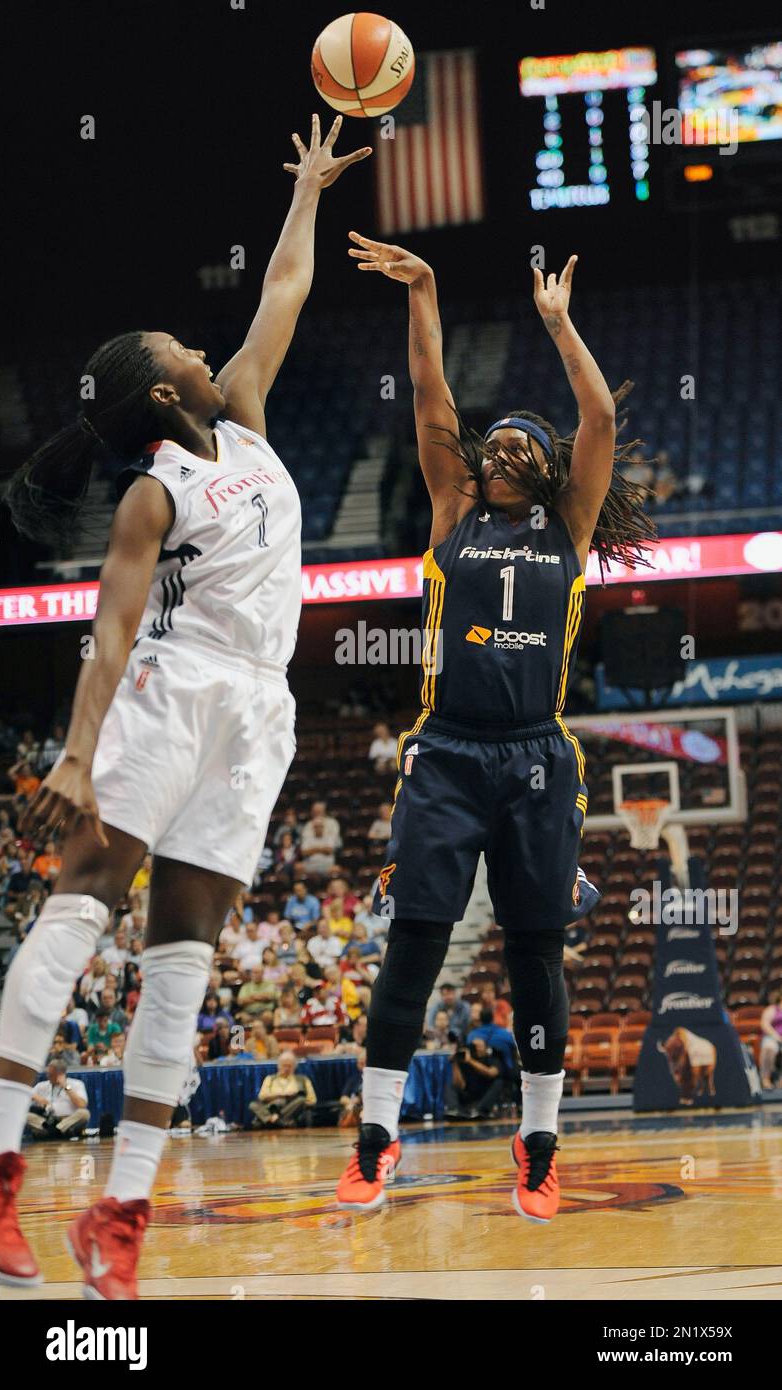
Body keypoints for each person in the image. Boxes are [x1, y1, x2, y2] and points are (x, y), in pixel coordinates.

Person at [0, 113, 370, 1299]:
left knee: (184, 962)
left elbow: (283, 289)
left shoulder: (244, 416)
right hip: (172, 691)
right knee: (81, 910)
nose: (210, 348)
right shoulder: (152, 497)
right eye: (185, 348)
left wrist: (307, 190)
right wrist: (75, 756)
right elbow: (109, 633)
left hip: (260, 713)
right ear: (168, 387)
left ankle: (120, 1214)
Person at [335, 234, 654, 1220]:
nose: (510, 447)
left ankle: (540, 1141)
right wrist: (423, 291)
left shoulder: (569, 526)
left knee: (534, 953)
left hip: (536, 756)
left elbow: (599, 416)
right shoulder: (451, 509)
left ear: (552, 472)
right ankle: (376, 1137)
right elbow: (429, 387)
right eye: (499, 441)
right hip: (446, 751)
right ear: (477, 464)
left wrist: (558, 324)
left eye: (529, 445)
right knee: (416, 943)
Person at [249, 1052, 317, 1129]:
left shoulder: (303, 1079)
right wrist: (282, 1095)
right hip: (271, 1107)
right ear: (279, 1066)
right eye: (284, 1065)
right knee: (253, 1105)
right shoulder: (270, 1079)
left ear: (294, 1067)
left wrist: (292, 1100)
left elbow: (312, 1100)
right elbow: (262, 1096)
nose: (287, 1068)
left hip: (290, 1108)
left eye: (289, 1066)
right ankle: (278, 1121)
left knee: (301, 1100)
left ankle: (272, 1119)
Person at [25, 1063, 90, 1141]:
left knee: (84, 1113)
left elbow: (82, 1105)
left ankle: (56, 1130)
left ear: (60, 1074)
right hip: (46, 1122)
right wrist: (36, 1097)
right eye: (47, 1074)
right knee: (25, 1116)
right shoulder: (41, 1085)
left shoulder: (76, 1084)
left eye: (51, 1075)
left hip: (67, 1121)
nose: (48, 1076)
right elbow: (24, 1095)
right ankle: (56, 1131)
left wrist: (66, 1087)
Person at [444, 1036, 504, 1121]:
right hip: (469, 1091)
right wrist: (455, 1063)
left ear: (486, 1047)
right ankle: (453, 1110)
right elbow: (460, 1084)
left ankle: (481, 1110)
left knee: (499, 1082)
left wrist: (470, 1061)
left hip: (485, 1093)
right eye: (474, 1046)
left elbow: (491, 1073)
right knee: (450, 1084)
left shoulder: (492, 1059)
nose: (477, 1048)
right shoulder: (464, 1060)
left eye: (479, 1046)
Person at [760, 992, 782, 1089]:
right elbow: (765, 1025)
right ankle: (766, 1079)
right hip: (773, 1037)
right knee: (768, 1048)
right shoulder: (772, 1009)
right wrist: (777, 1037)